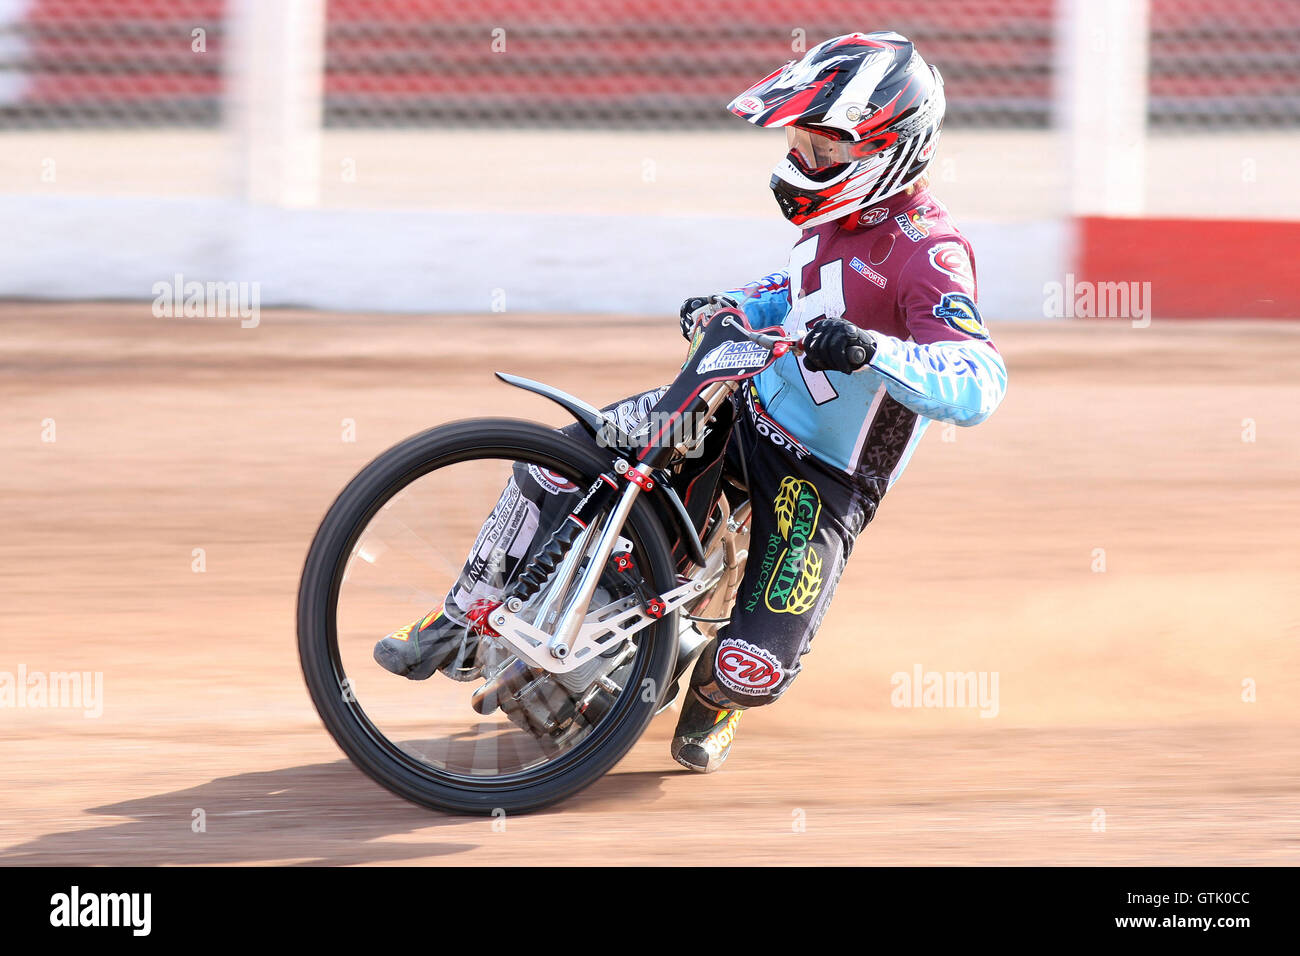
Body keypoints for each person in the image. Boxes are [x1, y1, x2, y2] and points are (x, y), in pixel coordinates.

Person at [373, 31, 1008, 773]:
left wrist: (876, 352)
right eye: (801, 139)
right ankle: (457, 618)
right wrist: (732, 302)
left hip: (826, 479)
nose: (805, 159)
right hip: (738, 410)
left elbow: (979, 380)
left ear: (889, 149)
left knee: (754, 669)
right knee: (559, 464)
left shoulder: (930, 250)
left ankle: (709, 691)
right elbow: (796, 291)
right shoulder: (831, 217)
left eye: (824, 147)